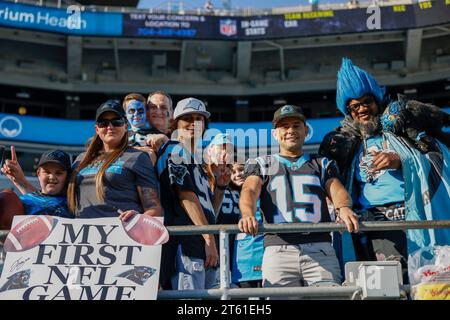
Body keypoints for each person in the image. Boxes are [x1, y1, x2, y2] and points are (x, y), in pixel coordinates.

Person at [319, 58, 450, 282]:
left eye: (366, 102)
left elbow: (439, 156)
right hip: (377, 226)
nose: (362, 109)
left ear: (377, 100)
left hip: (419, 216)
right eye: (354, 106)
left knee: (430, 282)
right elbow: (327, 178)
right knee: (391, 287)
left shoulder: (403, 130)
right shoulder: (348, 143)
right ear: (348, 112)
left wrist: (402, 160)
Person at [238, 105, 359, 295]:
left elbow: (336, 189)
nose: (290, 130)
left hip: (320, 248)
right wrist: (247, 214)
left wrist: (343, 207)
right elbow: (249, 190)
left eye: (296, 125)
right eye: (284, 126)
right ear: (275, 134)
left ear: (306, 131)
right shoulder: (260, 164)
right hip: (278, 249)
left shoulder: (321, 163)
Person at [156, 97, 219, 290]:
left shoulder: (196, 160)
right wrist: (209, 238)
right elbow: (186, 196)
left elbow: (208, 210)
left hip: (201, 244)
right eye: (188, 119)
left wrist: (221, 187)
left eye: (199, 119)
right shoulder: (174, 150)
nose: (194, 123)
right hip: (186, 243)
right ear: (175, 124)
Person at [67, 99, 162, 220]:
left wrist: (139, 219)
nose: (110, 127)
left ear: (126, 127)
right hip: (82, 234)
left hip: (120, 232)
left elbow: (154, 209)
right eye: (104, 123)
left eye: (116, 122)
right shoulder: (81, 159)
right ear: (97, 129)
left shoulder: (137, 157)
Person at [1, 147, 72, 218]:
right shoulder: (23, 202)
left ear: (67, 176)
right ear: (38, 173)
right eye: (47, 172)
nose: (52, 177)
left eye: (59, 173)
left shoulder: (75, 203)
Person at [230, 162, 264, 290]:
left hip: (261, 255)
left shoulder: (261, 193)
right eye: (233, 172)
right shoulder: (228, 195)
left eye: (240, 169)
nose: (237, 174)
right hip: (239, 263)